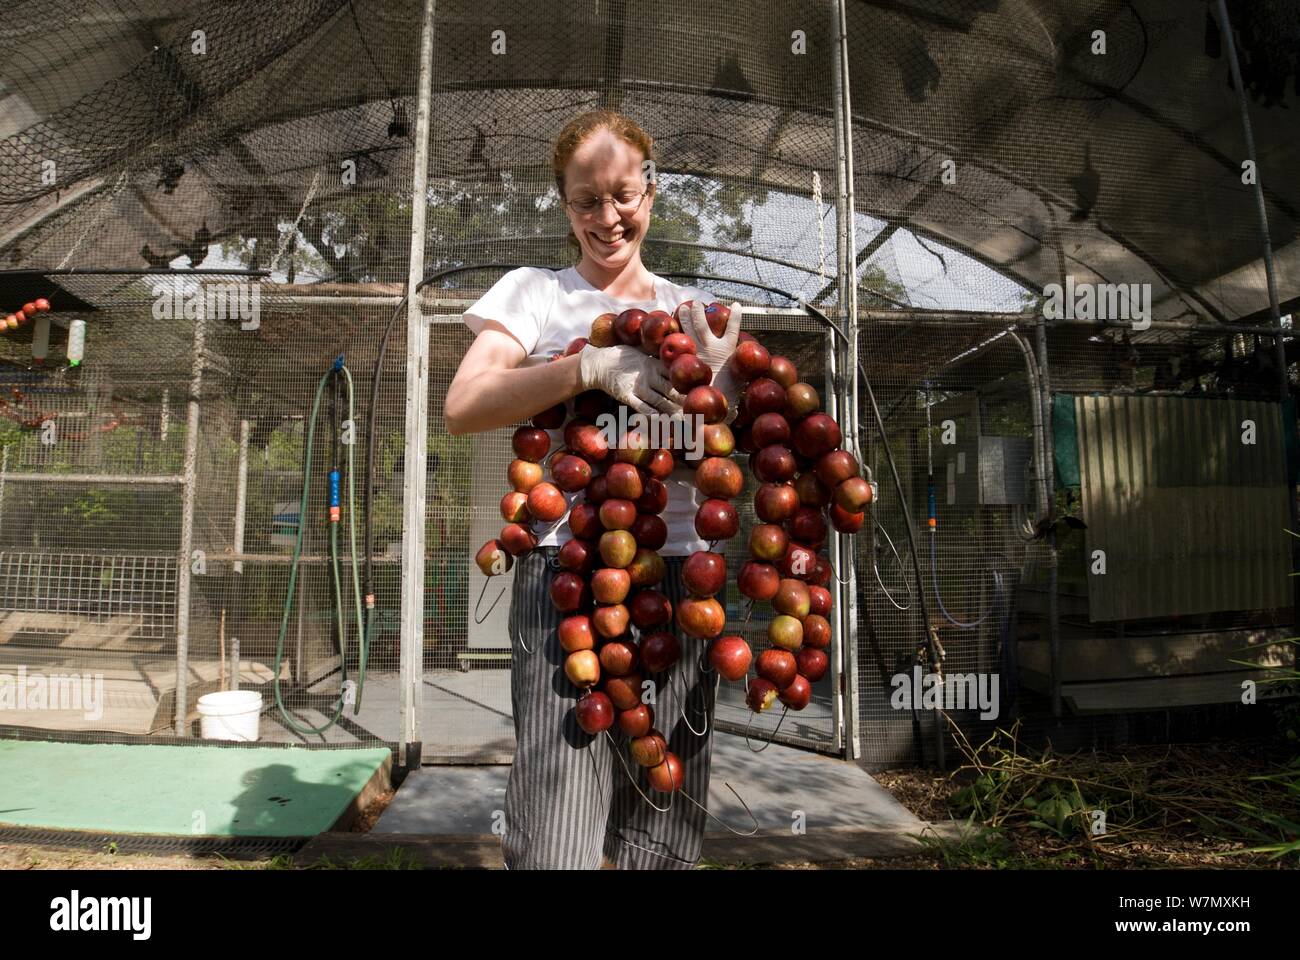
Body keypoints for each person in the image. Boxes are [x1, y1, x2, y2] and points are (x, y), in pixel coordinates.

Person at [445, 108, 743, 869]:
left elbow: (720, 454)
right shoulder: (536, 293)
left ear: (651, 190)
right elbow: (465, 405)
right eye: (586, 200)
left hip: (681, 573)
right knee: (558, 815)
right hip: (568, 577)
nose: (607, 217)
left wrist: (714, 382)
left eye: (623, 194)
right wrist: (581, 368)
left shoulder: (688, 308)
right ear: (564, 202)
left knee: (662, 806)